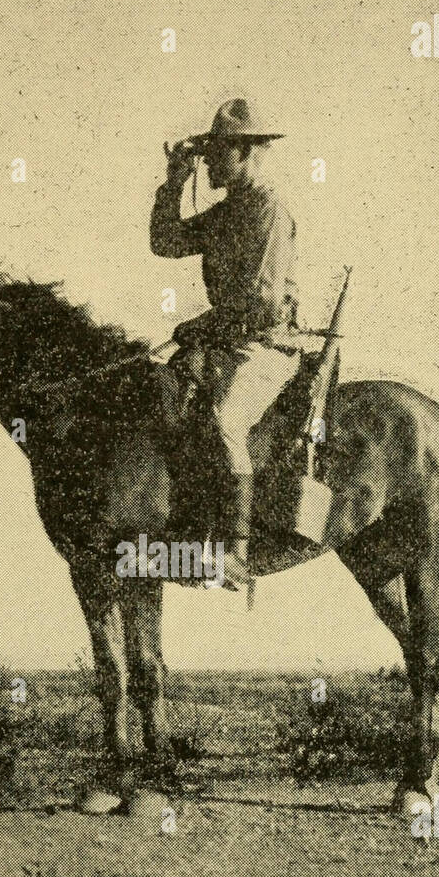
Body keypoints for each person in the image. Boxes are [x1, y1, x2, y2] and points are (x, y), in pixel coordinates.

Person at [150, 98, 300, 590]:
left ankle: (235, 551)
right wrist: (174, 181)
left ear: (246, 153)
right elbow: (166, 242)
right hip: (225, 340)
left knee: (224, 419)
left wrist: (199, 328)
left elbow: (260, 306)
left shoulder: (269, 213)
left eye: (217, 153)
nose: (210, 163)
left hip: (262, 346)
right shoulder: (227, 212)